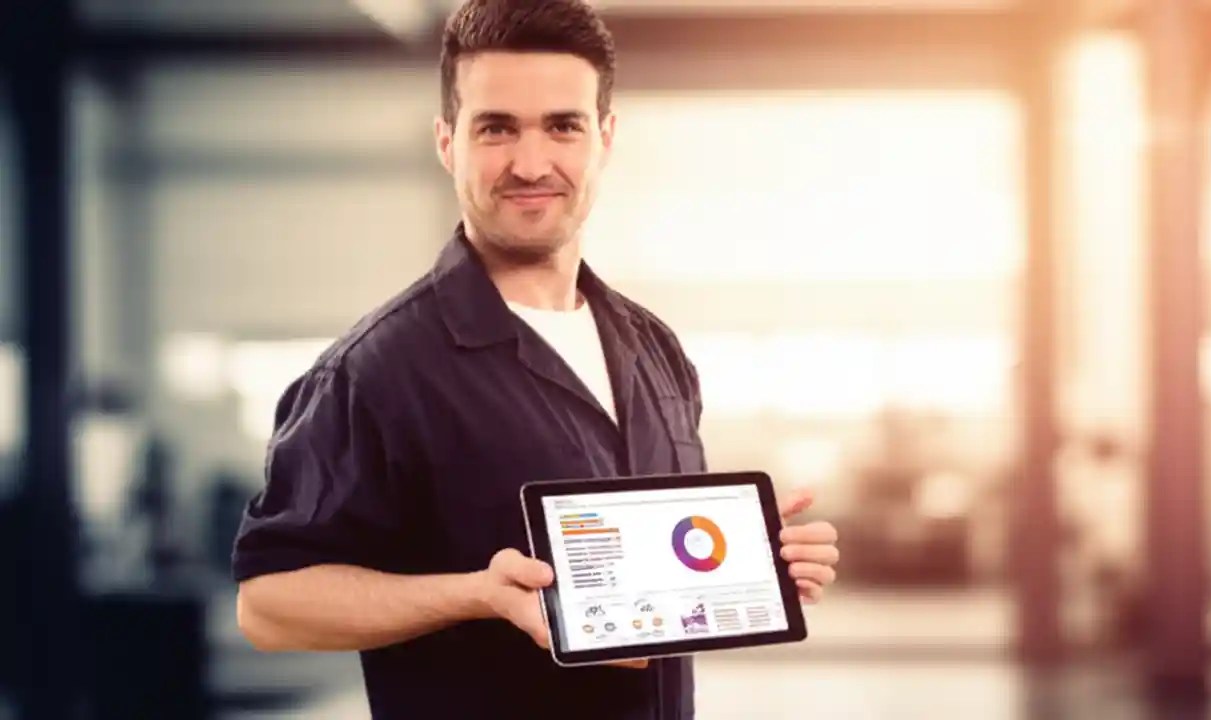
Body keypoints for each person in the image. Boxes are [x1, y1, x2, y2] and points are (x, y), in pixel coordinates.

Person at [231, 1, 839, 718]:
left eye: (562, 125)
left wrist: (753, 567)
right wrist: (472, 596)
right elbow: (268, 606)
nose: (530, 163)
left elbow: (653, 576)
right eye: (496, 128)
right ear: (446, 142)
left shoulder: (655, 351)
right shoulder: (377, 370)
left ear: (604, 139)